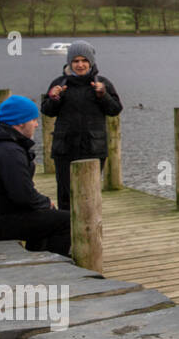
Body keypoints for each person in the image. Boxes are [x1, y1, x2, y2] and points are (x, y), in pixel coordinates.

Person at [0, 95, 71, 256]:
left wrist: (43, 205)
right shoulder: (9, 150)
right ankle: (51, 268)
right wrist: (46, 202)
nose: (36, 124)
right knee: (68, 221)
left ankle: (37, 262)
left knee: (44, 218)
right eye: (33, 120)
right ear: (21, 122)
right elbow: (23, 195)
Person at [41, 40, 123, 211]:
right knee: (65, 195)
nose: (80, 65)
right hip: (64, 148)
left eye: (84, 60)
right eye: (76, 61)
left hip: (93, 148)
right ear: (70, 62)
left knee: (89, 194)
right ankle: (66, 232)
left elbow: (115, 110)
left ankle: (91, 233)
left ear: (91, 61)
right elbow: (47, 111)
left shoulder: (102, 83)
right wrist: (54, 98)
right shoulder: (60, 83)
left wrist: (103, 95)